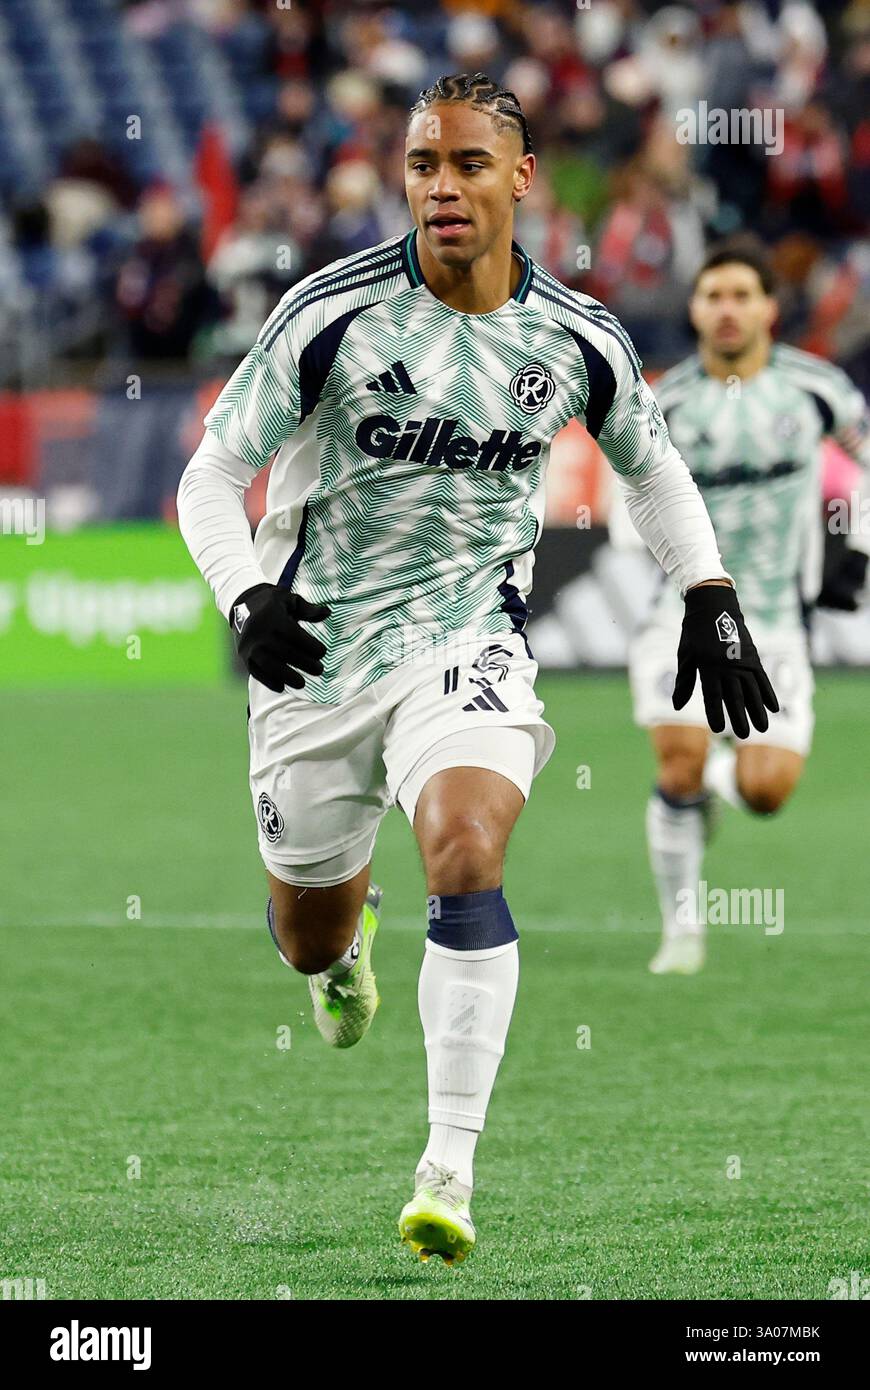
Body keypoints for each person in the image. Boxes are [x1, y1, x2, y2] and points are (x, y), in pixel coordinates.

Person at [177, 74, 775, 1265]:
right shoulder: (329, 313)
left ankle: (448, 1164)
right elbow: (210, 474)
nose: (440, 187)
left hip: (468, 638)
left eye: (464, 164)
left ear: (520, 178)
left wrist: (708, 590)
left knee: (466, 844)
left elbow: (650, 469)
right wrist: (243, 591)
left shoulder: (576, 336)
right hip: (318, 651)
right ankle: (344, 955)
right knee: (303, 928)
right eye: (420, 165)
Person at [628, 240, 869, 977]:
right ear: (695, 309)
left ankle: (705, 790)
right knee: (679, 763)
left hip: (775, 622)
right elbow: (629, 494)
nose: (727, 309)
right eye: (713, 296)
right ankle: (682, 930)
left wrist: (854, 548)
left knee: (764, 791)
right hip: (683, 614)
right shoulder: (662, 402)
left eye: (742, 295)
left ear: (769, 307)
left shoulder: (818, 390)